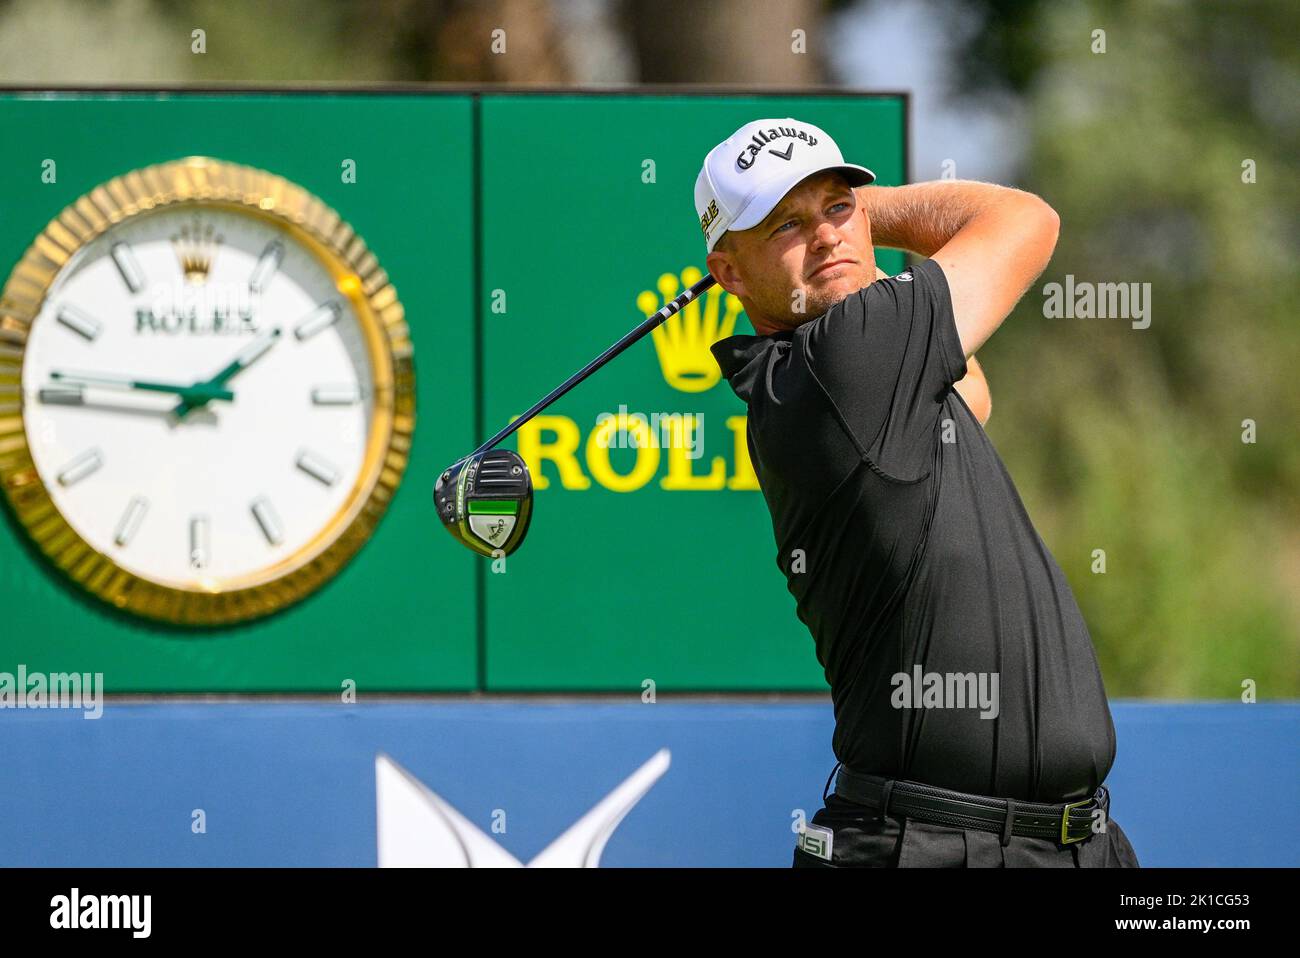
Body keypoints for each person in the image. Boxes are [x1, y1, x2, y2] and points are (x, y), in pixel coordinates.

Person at [699, 118, 1139, 867]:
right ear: (730, 272)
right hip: (935, 846)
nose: (829, 235)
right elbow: (1026, 220)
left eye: (839, 206)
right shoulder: (848, 357)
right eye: (787, 224)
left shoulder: (835, 371)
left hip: (1063, 842)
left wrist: (846, 240)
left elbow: (973, 392)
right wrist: (877, 210)